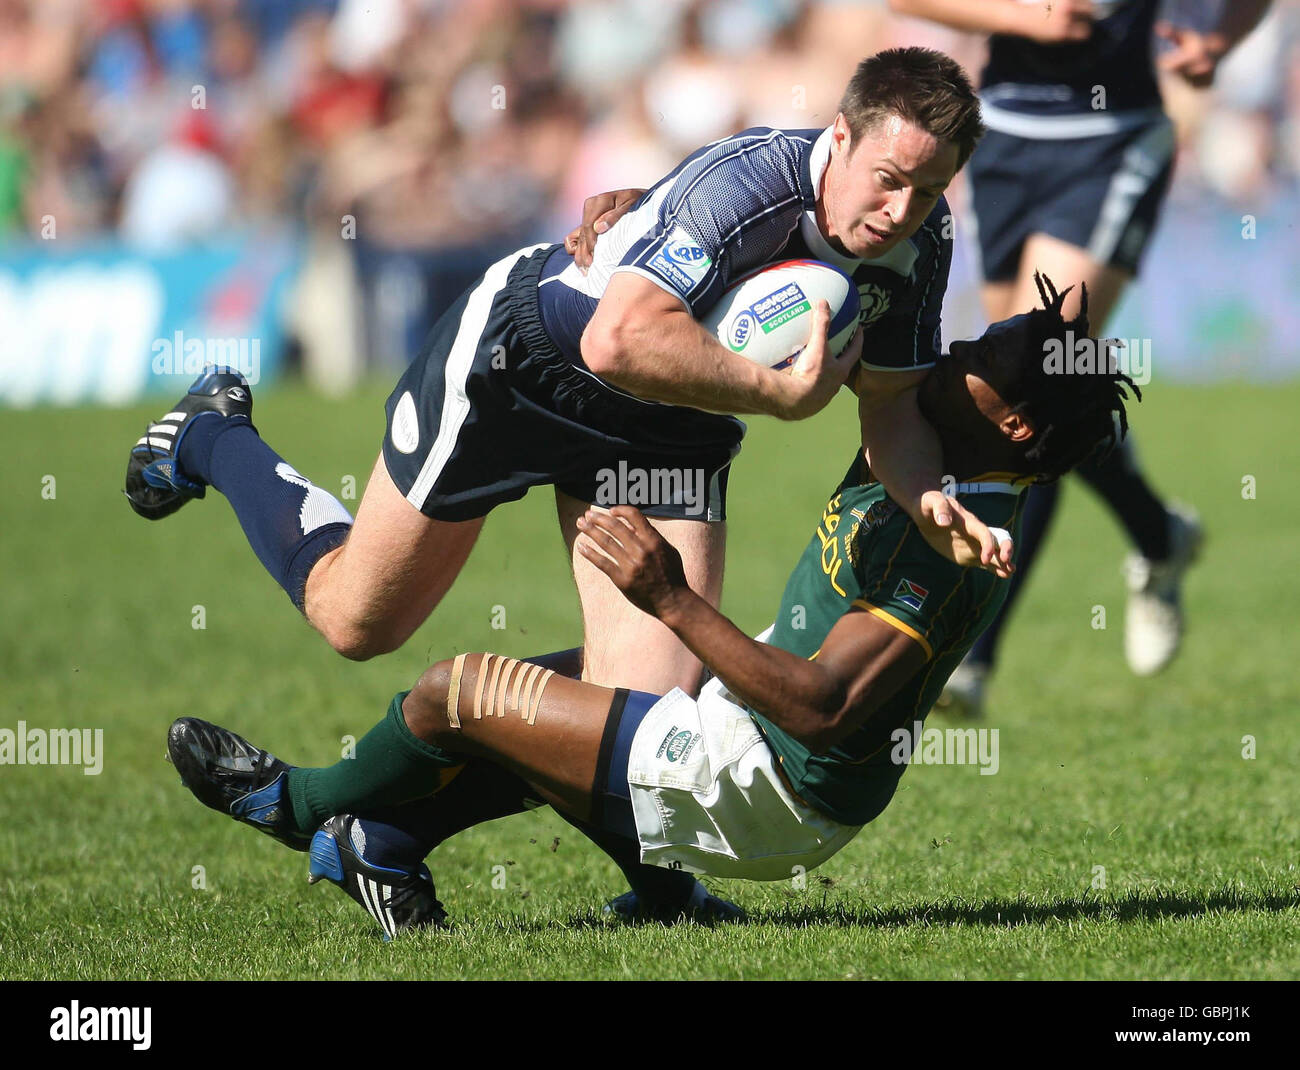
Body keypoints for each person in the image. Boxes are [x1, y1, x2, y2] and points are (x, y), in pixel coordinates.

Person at [165, 275, 1139, 933]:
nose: (948, 347)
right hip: (754, 739)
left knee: (452, 694)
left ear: (1007, 419)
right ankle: (387, 842)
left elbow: (823, 707)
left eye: (973, 350)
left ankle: (296, 807)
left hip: (768, 789)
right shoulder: (935, 442)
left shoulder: (955, 551)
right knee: (554, 706)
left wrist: (669, 596)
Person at [122, 47, 1009, 704]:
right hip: (527, 363)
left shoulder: (920, 246)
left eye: (928, 192)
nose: (901, 212)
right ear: (841, 136)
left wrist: (929, 497)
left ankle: (463, 822)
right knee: (358, 622)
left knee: (651, 713)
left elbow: (890, 404)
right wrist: (776, 395)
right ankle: (212, 435)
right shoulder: (755, 180)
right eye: (889, 180)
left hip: (668, 423)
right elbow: (616, 344)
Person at [882, 1, 1273, 712]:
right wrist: (1030, 19)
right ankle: (1158, 534)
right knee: (1018, 397)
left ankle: (975, 659)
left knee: (1038, 381)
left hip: (1115, 136)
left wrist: (1221, 36)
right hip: (1001, 134)